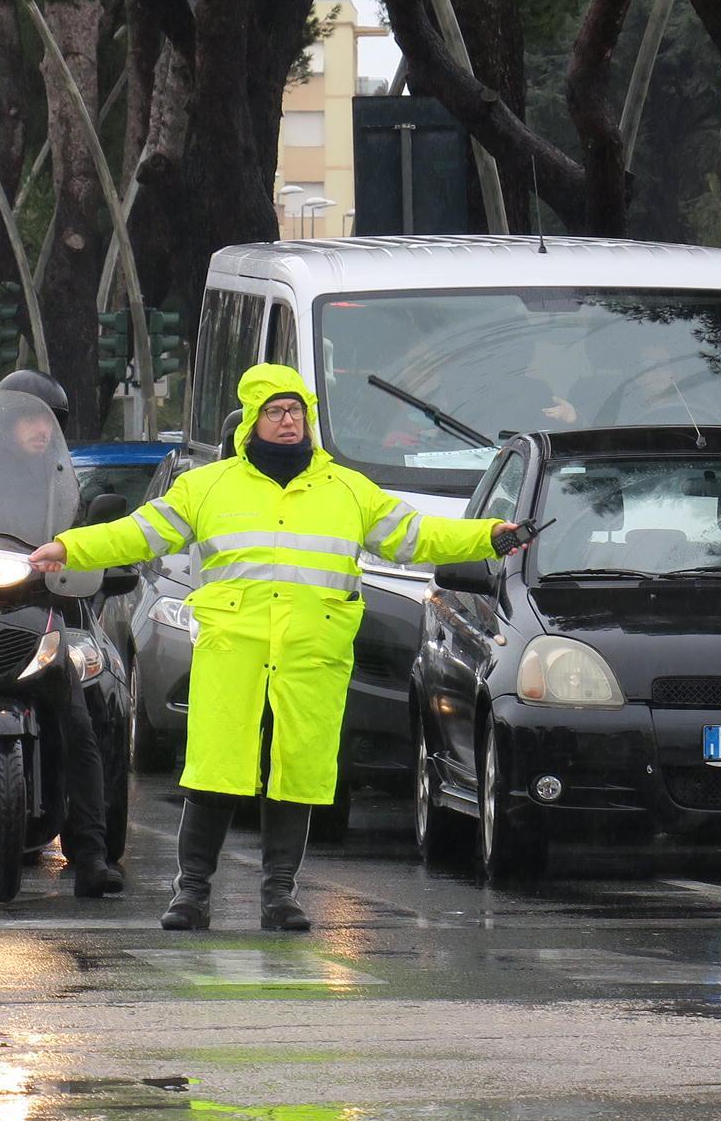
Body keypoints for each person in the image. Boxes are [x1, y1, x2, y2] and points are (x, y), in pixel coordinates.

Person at [32, 364, 536, 932]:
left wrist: (489, 534)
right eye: (275, 410)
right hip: (234, 643)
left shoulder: (347, 489)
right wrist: (66, 548)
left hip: (311, 649)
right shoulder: (207, 487)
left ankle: (280, 896)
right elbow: (137, 532)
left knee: (297, 772)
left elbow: (417, 536)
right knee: (215, 769)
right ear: (253, 419)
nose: (289, 419)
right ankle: (191, 893)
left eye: (297, 410)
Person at [0, 368, 129, 900]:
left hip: (45, 617)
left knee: (78, 721)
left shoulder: (62, 485)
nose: (41, 429)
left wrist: (97, 553)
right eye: (29, 418)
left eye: (49, 420)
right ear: (2, 426)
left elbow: (90, 533)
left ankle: (90, 853)